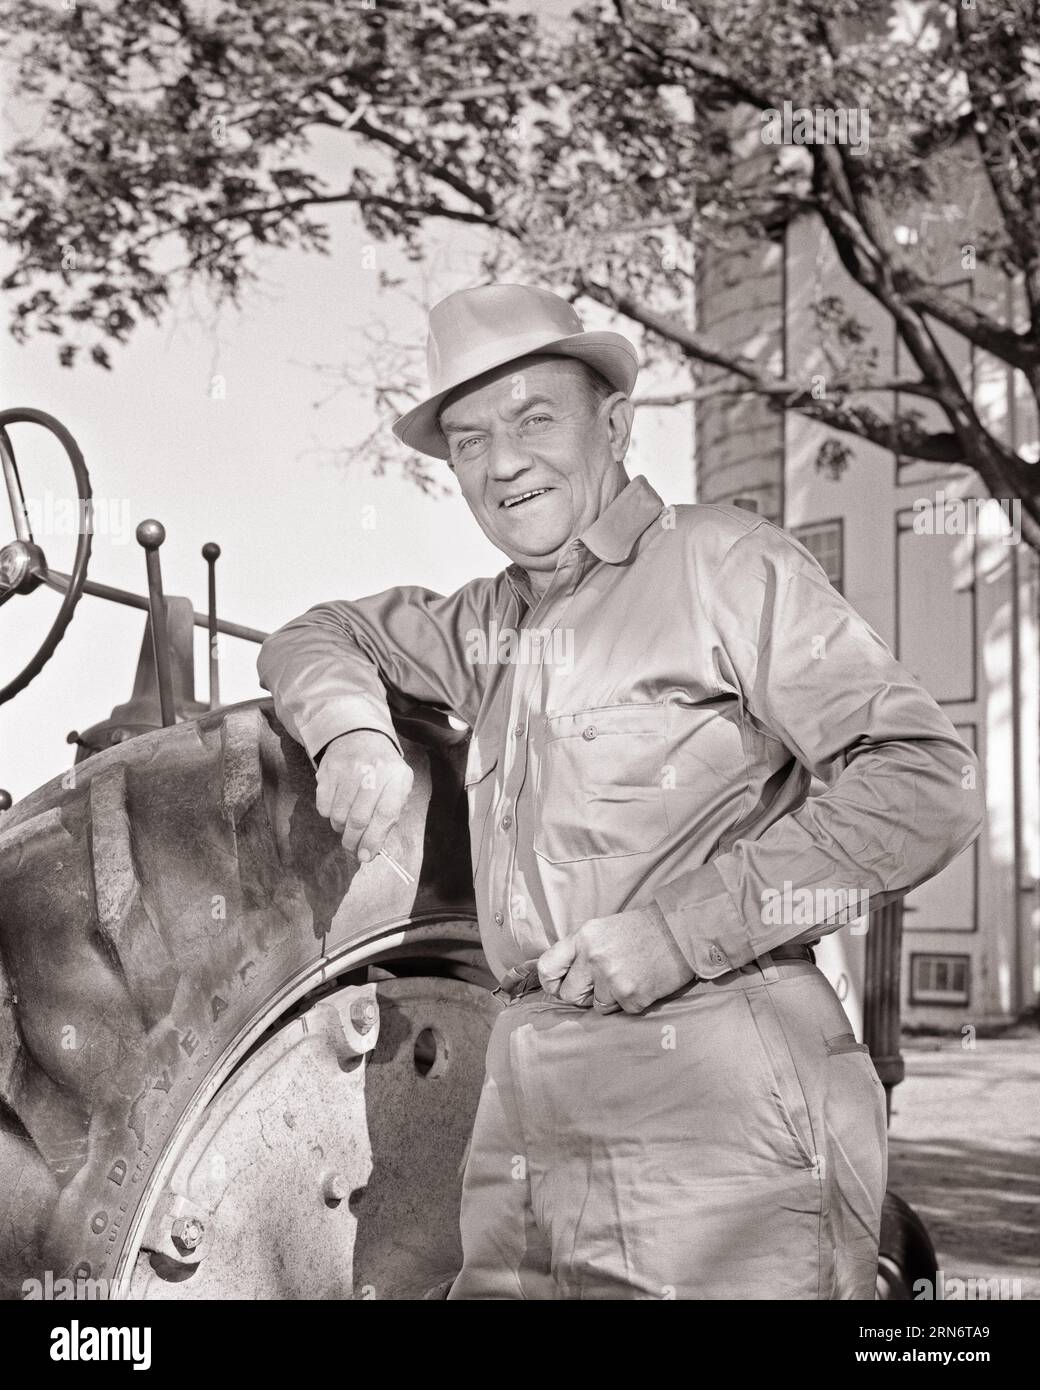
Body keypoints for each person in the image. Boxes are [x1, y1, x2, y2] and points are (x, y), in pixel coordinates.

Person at [258, 282, 985, 1299]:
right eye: (467, 440)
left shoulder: (719, 563)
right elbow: (311, 634)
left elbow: (926, 784)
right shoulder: (490, 625)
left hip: (712, 1088)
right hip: (520, 1099)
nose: (500, 462)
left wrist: (681, 932)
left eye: (531, 418)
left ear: (612, 423)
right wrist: (353, 734)